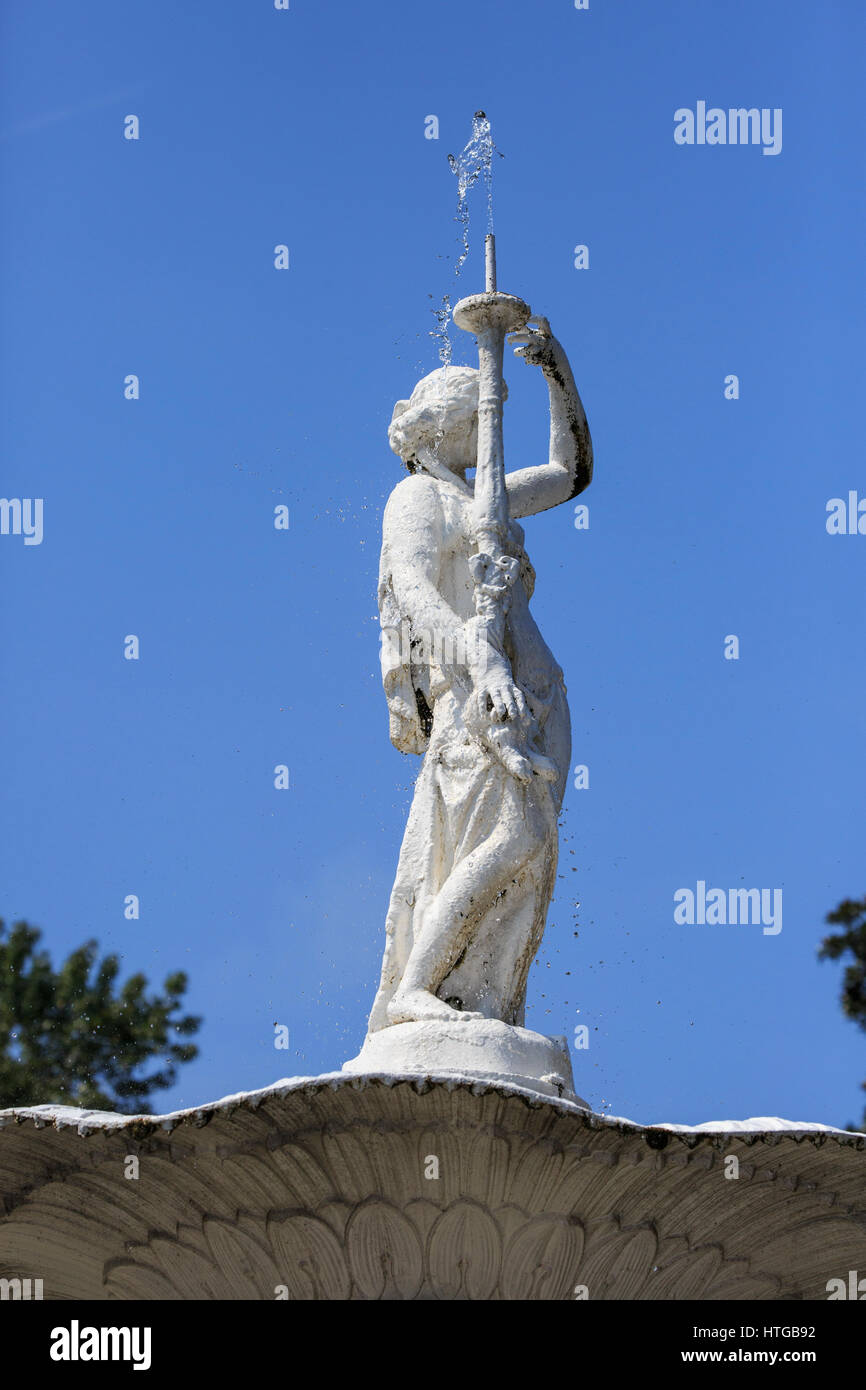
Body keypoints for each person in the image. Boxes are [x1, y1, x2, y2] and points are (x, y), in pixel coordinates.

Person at [368, 317, 592, 1033]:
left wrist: (557, 372)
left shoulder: (481, 499)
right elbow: (412, 588)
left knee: (532, 851)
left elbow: (569, 473)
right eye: (475, 414)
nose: (484, 426)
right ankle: (415, 986)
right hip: (478, 690)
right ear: (440, 427)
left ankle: (481, 998)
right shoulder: (417, 499)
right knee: (511, 836)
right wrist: (479, 657)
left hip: (535, 693)